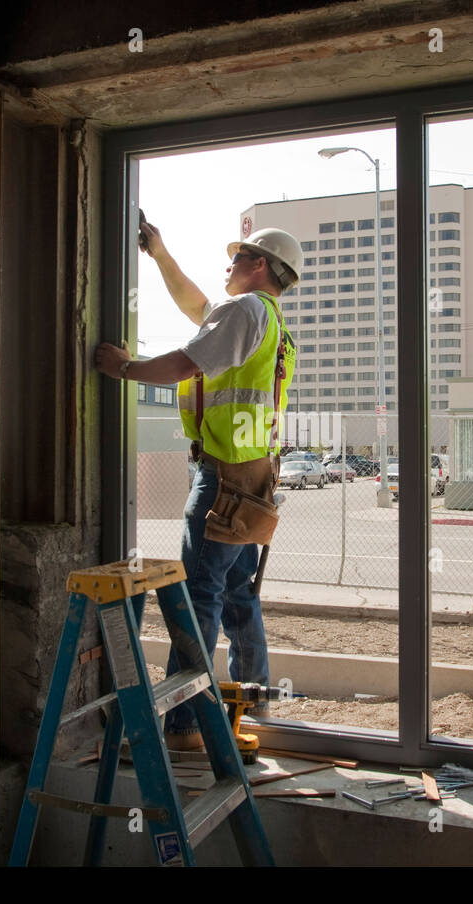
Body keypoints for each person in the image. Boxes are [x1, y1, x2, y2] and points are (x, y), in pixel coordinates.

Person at [95, 222, 300, 749]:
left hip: (223, 478)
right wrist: (160, 253)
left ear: (258, 265)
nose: (227, 266)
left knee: (195, 598)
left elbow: (188, 361)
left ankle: (184, 727)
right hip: (254, 477)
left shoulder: (244, 311)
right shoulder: (271, 322)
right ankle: (253, 701)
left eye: (236, 259)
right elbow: (198, 306)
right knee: (236, 593)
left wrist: (125, 368)